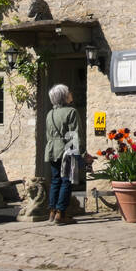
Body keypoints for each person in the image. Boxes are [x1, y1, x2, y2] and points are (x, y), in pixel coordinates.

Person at [43, 83, 80, 225]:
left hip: (52, 149)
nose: (71, 93)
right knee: (66, 180)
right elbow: (74, 134)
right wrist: (81, 153)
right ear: (64, 96)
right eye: (68, 91)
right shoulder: (71, 112)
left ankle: (52, 212)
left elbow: (48, 135)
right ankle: (61, 213)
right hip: (67, 149)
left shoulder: (49, 114)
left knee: (55, 180)